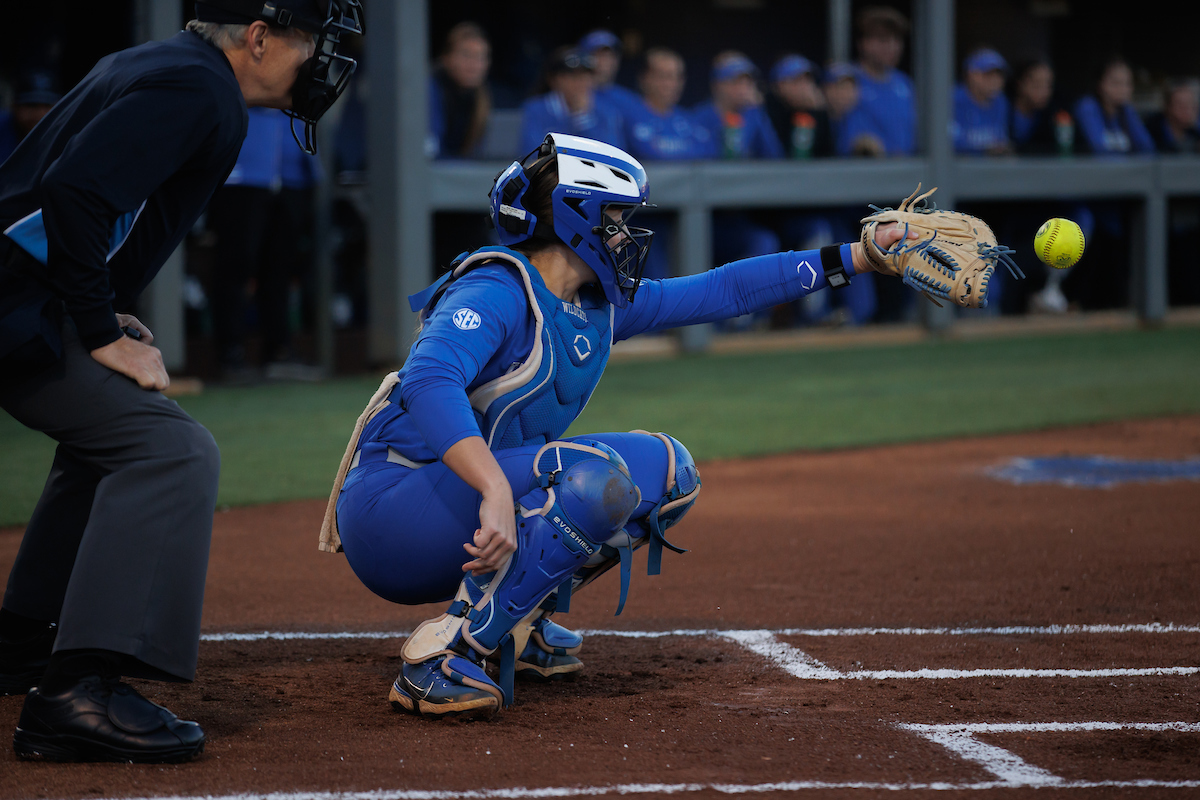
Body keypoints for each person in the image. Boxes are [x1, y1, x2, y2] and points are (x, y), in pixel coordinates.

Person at [319, 132, 922, 719]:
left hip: (462, 504)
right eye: (614, 219)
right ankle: (445, 655)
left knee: (669, 473)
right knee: (593, 478)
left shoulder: (593, 305)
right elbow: (428, 380)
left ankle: (512, 625)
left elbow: (722, 290)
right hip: (392, 512)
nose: (626, 234)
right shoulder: (495, 288)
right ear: (574, 218)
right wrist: (493, 487)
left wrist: (858, 257)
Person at [0, 0, 361, 762]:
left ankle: (24, 641)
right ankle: (76, 691)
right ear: (258, 38)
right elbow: (74, 192)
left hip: (25, 298)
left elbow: (83, 198)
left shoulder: (165, 64)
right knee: (171, 453)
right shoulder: (200, 88)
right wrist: (98, 329)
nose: (319, 62)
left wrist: (101, 308)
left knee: (111, 439)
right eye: (309, 42)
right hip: (16, 307)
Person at [206, 108, 322, 382]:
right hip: (243, 174)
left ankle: (279, 351)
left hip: (292, 177)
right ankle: (231, 354)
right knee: (235, 266)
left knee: (281, 270)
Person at [518, 47, 625, 154]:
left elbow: (612, 153)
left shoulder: (606, 111)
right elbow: (532, 153)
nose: (581, 83)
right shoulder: (536, 109)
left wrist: (583, 117)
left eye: (586, 76)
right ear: (556, 79)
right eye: (573, 76)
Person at [844, 6, 916, 158]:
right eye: (883, 40)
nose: (892, 47)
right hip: (861, 167)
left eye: (897, 39)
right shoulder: (847, 80)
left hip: (906, 167)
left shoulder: (905, 83)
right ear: (863, 43)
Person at [691, 51, 783, 159]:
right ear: (717, 85)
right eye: (735, 82)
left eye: (747, 82)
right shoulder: (698, 117)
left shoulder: (753, 114)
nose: (743, 89)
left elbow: (774, 156)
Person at [429, 22, 492, 160]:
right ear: (446, 58)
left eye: (481, 57)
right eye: (466, 55)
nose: (474, 64)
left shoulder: (481, 98)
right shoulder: (428, 91)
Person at [1074, 56, 1155, 156]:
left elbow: (1147, 148)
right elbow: (1099, 150)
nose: (1123, 89)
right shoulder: (1087, 107)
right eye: (1116, 83)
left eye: (1127, 83)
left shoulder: (1127, 110)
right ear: (1099, 84)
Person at [765, 54, 834, 160]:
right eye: (797, 80)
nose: (804, 87)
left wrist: (819, 112)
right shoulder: (767, 109)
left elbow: (826, 154)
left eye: (808, 80)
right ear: (779, 85)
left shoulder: (816, 110)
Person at [1009, 59, 1075, 156]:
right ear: (1019, 84)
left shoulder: (1051, 114)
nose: (1045, 92)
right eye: (1037, 84)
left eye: (1048, 85)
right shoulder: (1004, 111)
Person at [953, 48, 1011, 155]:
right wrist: (985, 149)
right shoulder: (953, 99)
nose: (995, 80)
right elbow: (947, 144)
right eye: (988, 74)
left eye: (999, 75)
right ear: (971, 75)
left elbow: (1001, 141)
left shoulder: (1001, 102)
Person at [0, 68, 64, 164]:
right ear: (14, 107)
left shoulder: (67, 133)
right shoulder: (3, 126)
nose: (40, 114)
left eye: (47, 106)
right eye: (32, 105)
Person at [578, 29, 642, 119]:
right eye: (598, 55)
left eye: (610, 55)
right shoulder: (571, 95)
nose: (605, 61)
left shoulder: (629, 99)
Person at [1145, 79, 1200, 154]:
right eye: (1181, 105)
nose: (1188, 109)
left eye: (1191, 103)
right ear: (1168, 107)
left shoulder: (1195, 134)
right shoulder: (1150, 135)